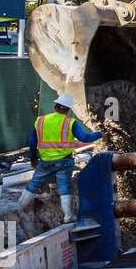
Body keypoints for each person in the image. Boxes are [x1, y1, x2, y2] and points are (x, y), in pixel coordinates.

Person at [21, 93, 102, 224]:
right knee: (64, 187)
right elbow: (85, 138)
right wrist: (100, 134)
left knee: (34, 184)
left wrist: (33, 159)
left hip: (45, 161)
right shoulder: (70, 122)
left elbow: (32, 142)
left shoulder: (40, 121)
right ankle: (68, 217)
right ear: (68, 110)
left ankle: (19, 209)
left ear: (54, 106)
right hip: (64, 162)